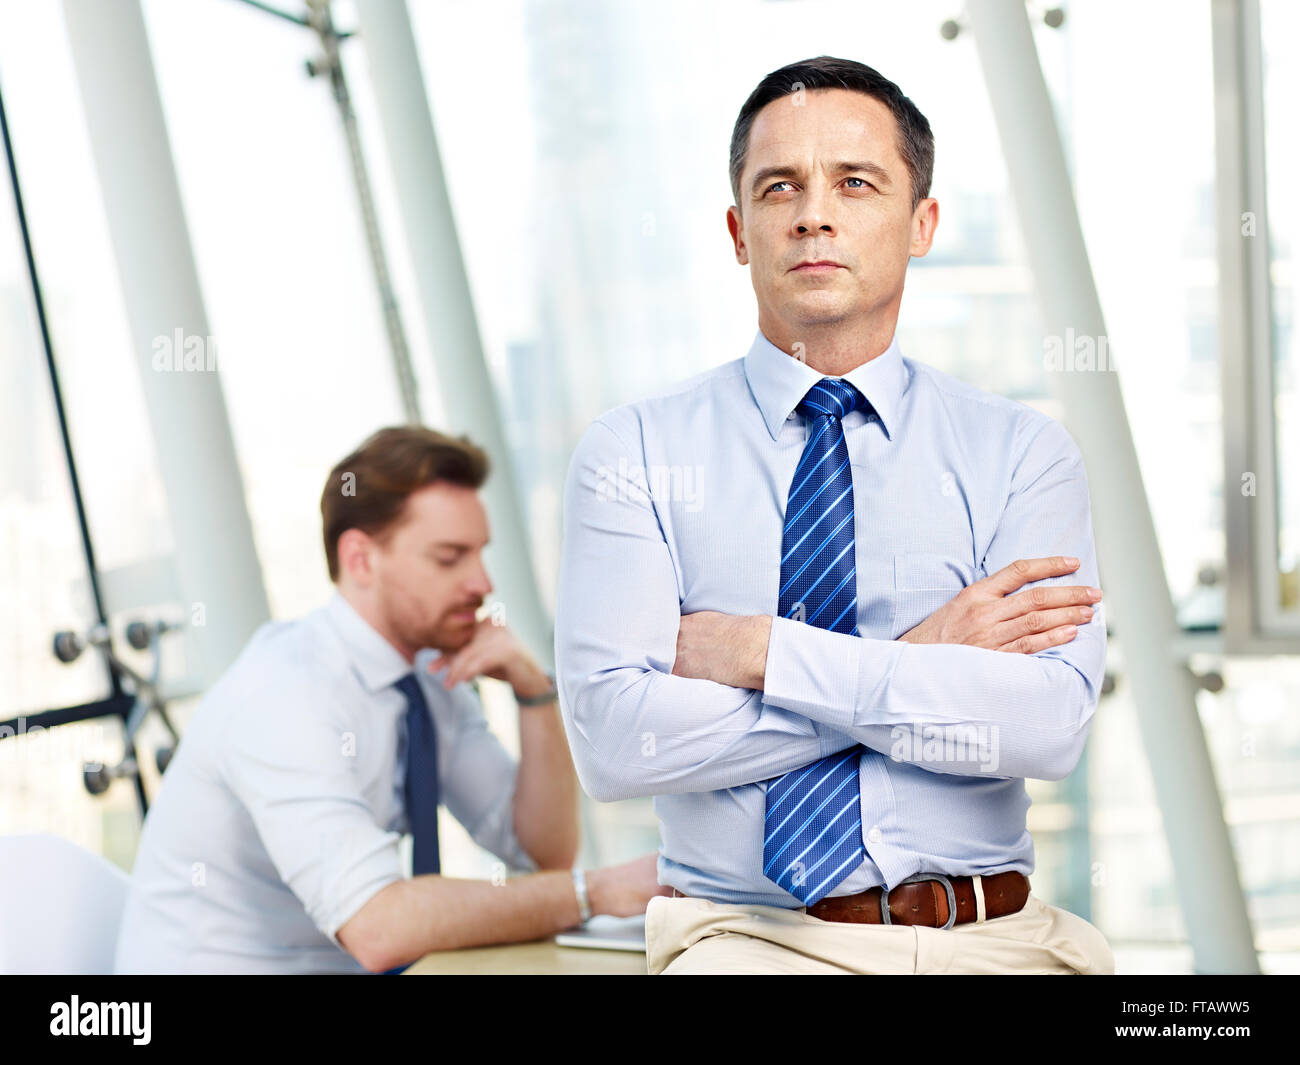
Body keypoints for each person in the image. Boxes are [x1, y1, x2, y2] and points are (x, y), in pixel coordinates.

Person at [554, 56, 1115, 975]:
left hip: (996, 939)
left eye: (855, 183)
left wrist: (764, 655)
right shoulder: (634, 454)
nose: (815, 212)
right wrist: (918, 660)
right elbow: (620, 742)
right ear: (740, 231)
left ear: (920, 222)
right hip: (744, 940)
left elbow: (1045, 726)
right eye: (781, 187)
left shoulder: (1023, 454)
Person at [115, 425, 666, 974]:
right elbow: (378, 925)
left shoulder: (427, 676)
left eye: (480, 554)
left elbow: (541, 853)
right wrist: (598, 891)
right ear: (360, 560)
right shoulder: (282, 693)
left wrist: (535, 692)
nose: (482, 583)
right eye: (450, 558)